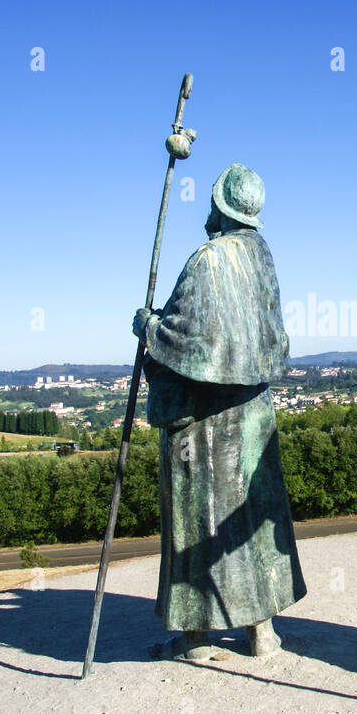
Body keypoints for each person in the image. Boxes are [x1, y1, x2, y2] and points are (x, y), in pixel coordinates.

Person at [132, 163, 306, 660]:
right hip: (253, 412)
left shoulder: (208, 259)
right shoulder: (262, 257)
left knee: (199, 520)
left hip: (205, 421)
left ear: (220, 205)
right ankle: (262, 632)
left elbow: (187, 339)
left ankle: (195, 637)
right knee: (250, 517)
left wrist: (148, 326)